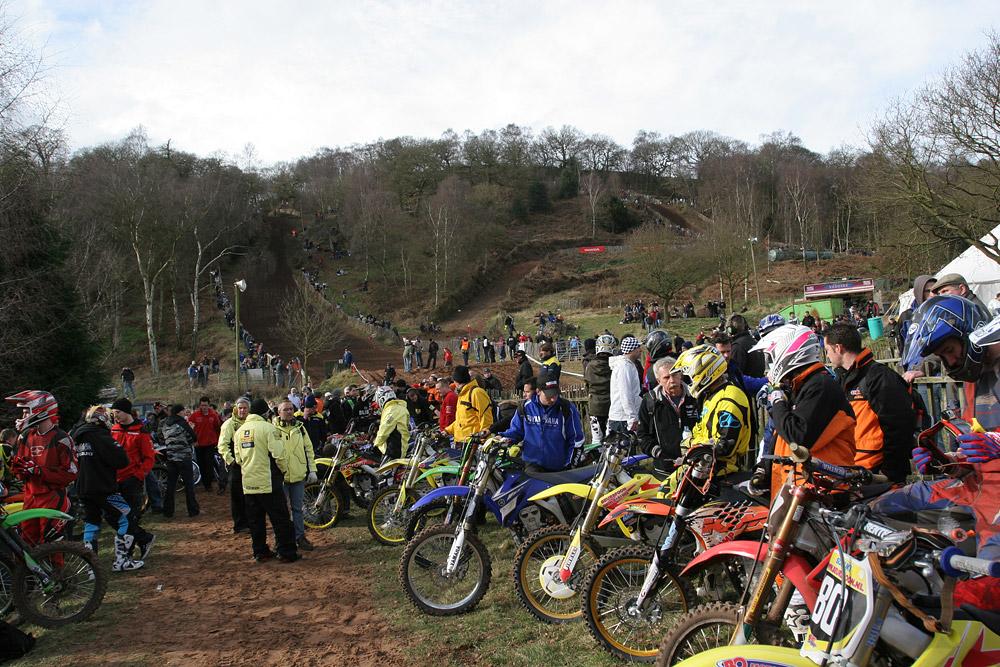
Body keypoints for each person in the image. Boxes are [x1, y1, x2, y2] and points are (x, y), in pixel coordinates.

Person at [752, 325, 856, 499]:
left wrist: (777, 401)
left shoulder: (821, 386)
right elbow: (780, 435)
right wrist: (764, 469)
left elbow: (796, 435)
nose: (770, 362)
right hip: (797, 489)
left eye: (772, 356)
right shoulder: (798, 386)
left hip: (825, 493)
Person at [824, 322, 916, 483]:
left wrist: (889, 471)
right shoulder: (843, 380)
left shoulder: (879, 377)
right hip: (853, 470)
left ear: (838, 348)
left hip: (877, 473)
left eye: (827, 350)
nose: (827, 356)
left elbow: (899, 427)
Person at [70, 406, 143, 571]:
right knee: (127, 517)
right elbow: (122, 460)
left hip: (83, 488)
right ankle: (123, 560)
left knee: (91, 523)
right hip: (103, 488)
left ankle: (91, 568)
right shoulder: (101, 436)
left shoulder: (76, 436)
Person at [5, 391, 77, 545]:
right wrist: (20, 470)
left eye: (26, 412)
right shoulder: (24, 437)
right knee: (24, 543)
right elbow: (20, 473)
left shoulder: (61, 438)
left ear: (41, 411)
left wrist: (38, 470)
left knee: (51, 543)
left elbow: (71, 473)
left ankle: (58, 563)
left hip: (53, 496)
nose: (23, 416)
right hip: (30, 496)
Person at [233, 399, 299, 563]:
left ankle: (260, 552)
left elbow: (238, 458)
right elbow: (279, 454)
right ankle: (287, 553)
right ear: (266, 413)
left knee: (255, 520)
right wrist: (283, 470)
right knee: (281, 518)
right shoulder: (268, 428)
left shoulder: (240, 431)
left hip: (249, 483)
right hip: (268, 482)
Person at [672, 345, 752, 478]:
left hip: (719, 472)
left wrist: (690, 444)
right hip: (702, 467)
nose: (690, 381)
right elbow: (702, 431)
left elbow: (724, 447)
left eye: (692, 376)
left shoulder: (729, 398)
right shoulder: (712, 396)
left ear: (705, 373)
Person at [497, 367, 584, 472]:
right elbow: (516, 432)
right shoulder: (525, 408)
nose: (553, 399)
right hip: (533, 465)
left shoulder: (567, 408)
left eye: (555, 394)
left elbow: (577, 441)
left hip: (560, 468)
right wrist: (501, 437)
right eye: (549, 395)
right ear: (538, 391)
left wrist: (569, 466)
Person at [109, 398, 156, 560]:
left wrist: (138, 476)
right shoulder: (113, 430)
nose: (115, 416)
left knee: (132, 516)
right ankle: (143, 538)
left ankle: (128, 553)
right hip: (114, 480)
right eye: (113, 413)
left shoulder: (141, 431)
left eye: (118, 412)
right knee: (113, 515)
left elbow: (149, 458)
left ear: (126, 412)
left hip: (132, 480)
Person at [637, 357, 699, 478]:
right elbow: (642, 435)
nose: (672, 380)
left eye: (674, 375)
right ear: (659, 380)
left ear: (681, 375)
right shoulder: (650, 401)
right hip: (664, 470)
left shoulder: (695, 396)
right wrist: (658, 453)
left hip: (695, 467)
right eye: (666, 377)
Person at [273, 400, 318, 552]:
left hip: (298, 474)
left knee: (297, 509)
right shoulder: (272, 429)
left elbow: (309, 449)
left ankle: (300, 537)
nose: (289, 412)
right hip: (281, 476)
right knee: (280, 511)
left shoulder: (300, 428)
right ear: (279, 412)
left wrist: (312, 470)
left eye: (291, 409)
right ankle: (279, 539)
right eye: (286, 409)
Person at [159, 404, 202, 519]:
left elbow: (161, 437)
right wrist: (191, 428)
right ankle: (193, 510)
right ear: (179, 412)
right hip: (184, 458)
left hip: (171, 458)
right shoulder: (182, 423)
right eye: (183, 411)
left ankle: (168, 511)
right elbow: (193, 437)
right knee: (188, 484)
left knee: (171, 485)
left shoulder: (166, 424)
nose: (184, 413)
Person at [218, 397, 251, 534]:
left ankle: (250, 522)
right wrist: (231, 461)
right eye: (240, 408)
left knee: (250, 495)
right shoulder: (229, 424)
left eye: (245, 408)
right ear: (236, 409)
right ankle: (240, 524)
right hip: (236, 466)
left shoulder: (251, 423)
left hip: (250, 464)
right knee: (237, 496)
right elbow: (222, 445)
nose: (242, 410)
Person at [445, 366, 494, 444]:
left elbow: (485, 418)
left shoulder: (476, 393)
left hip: (472, 442)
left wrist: (483, 440)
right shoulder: (463, 395)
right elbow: (461, 421)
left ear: (457, 382)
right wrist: (447, 431)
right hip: (461, 441)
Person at [187, 397, 223, 494]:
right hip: (199, 444)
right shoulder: (194, 416)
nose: (204, 407)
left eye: (205, 405)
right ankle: (204, 482)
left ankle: (209, 484)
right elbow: (189, 428)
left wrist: (217, 441)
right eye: (202, 405)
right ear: (200, 405)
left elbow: (218, 427)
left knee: (209, 464)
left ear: (209, 405)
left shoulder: (213, 415)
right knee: (201, 464)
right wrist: (193, 440)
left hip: (210, 444)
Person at [608, 335, 643, 434]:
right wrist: (632, 417)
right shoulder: (624, 367)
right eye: (638, 347)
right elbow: (625, 393)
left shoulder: (628, 365)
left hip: (624, 417)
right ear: (631, 350)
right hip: (622, 418)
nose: (641, 350)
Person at [585, 333, 614, 445]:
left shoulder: (590, 366)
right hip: (611, 405)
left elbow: (587, 385)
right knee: (610, 439)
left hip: (595, 406)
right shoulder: (614, 366)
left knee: (596, 440)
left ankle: (598, 456)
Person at [372, 386, 409, 460]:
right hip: (402, 446)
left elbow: (385, 429)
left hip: (392, 449)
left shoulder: (391, 410)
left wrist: (376, 443)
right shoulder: (402, 408)